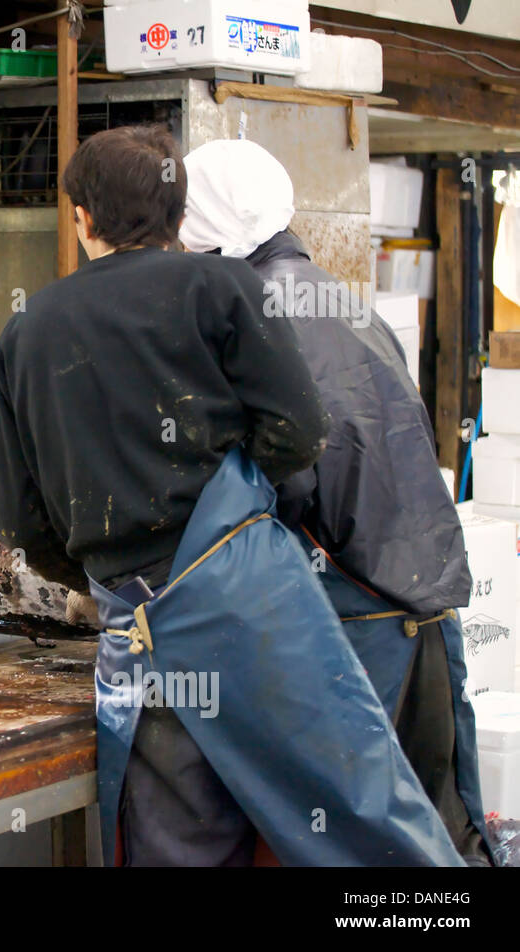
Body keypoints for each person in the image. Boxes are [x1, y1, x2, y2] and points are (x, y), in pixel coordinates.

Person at [0, 124, 466, 866]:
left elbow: (24, 518)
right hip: (255, 601)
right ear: (180, 220)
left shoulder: (26, 331)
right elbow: (300, 436)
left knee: (172, 838)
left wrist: (86, 577)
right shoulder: (230, 289)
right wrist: (238, 508)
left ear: (81, 218)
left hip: (133, 618)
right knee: (358, 816)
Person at [181, 138, 494, 865]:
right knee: (434, 840)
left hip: (360, 627)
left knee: (346, 848)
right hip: (426, 617)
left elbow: (276, 494)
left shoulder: (257, 320)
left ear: (210, 232)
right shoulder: (340, 301)